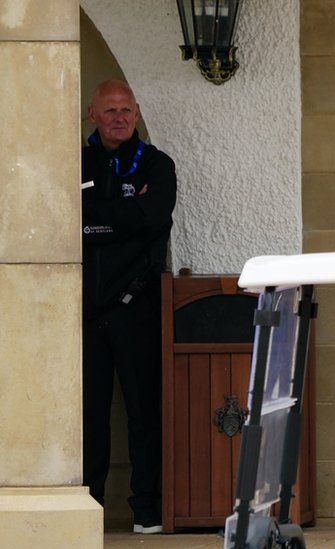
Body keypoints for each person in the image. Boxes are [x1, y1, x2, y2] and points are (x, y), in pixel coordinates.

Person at [82, 79, 177, 534]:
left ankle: (146, 510)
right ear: (91, 115)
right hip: (83, 310)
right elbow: (63, 219)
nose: (119, 117)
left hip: (137, 305)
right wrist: (120, 218)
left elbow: (153, 218)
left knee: (144, 413)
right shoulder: (75, 163)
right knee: (88, 417)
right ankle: (88, 510)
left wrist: (95, 217)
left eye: (126, 110)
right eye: (110, 110)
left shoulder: (157, 166)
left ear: (136, 112)